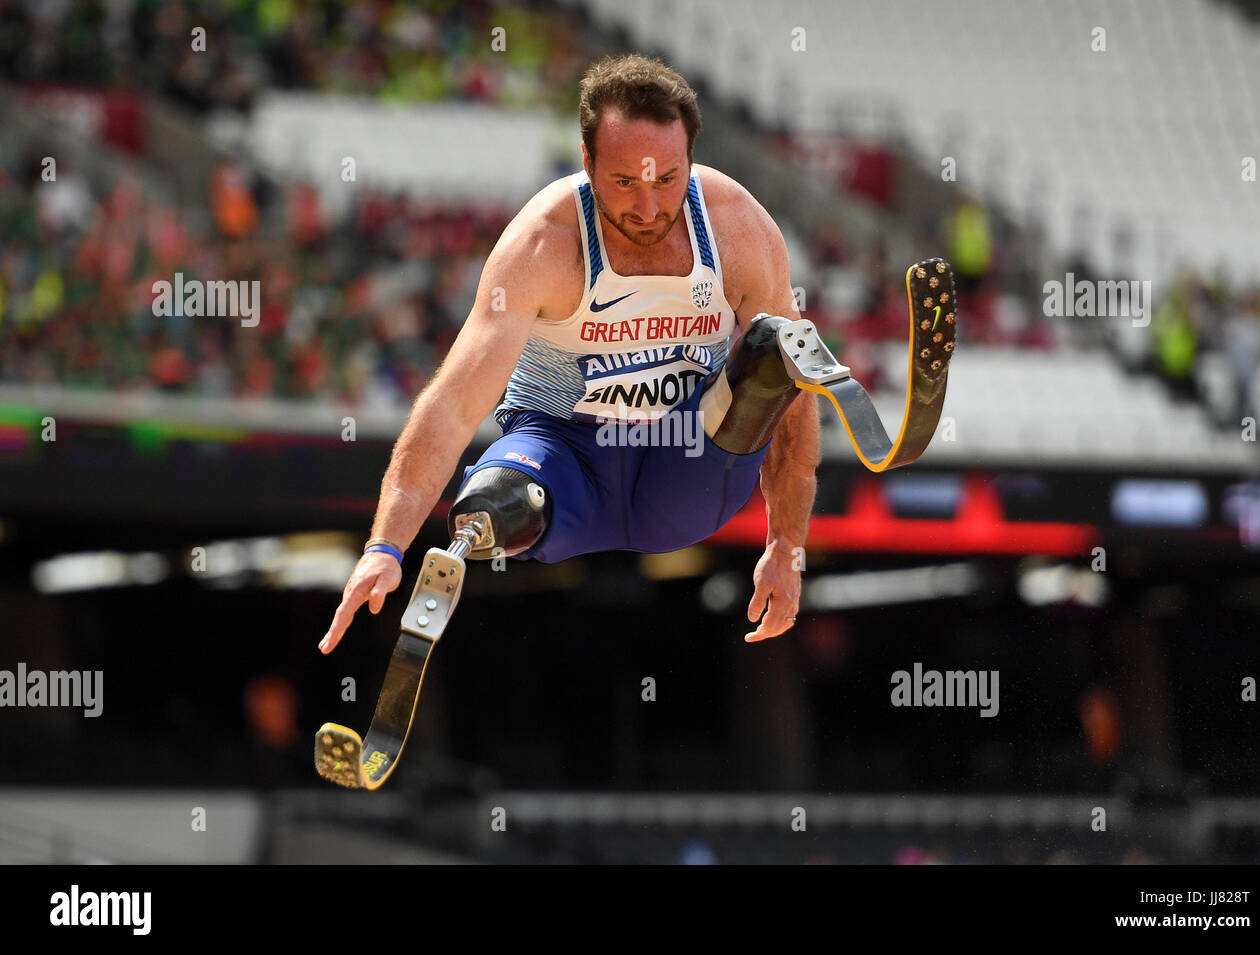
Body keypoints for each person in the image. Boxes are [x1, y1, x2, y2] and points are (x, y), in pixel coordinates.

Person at [319, 54, 946, 657]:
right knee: (495, 496)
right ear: (586, 161)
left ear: (690, 159)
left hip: (688, 460)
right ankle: (466, 543)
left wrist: (787, 546)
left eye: (667, 180)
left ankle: (482, 526)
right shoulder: (543, 245)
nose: (648, 209)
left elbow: (791, 405)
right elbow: (455, 406)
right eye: (623, 183)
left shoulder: (737, 229)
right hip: (563, 451)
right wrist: (384, 548)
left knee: (770, 348)